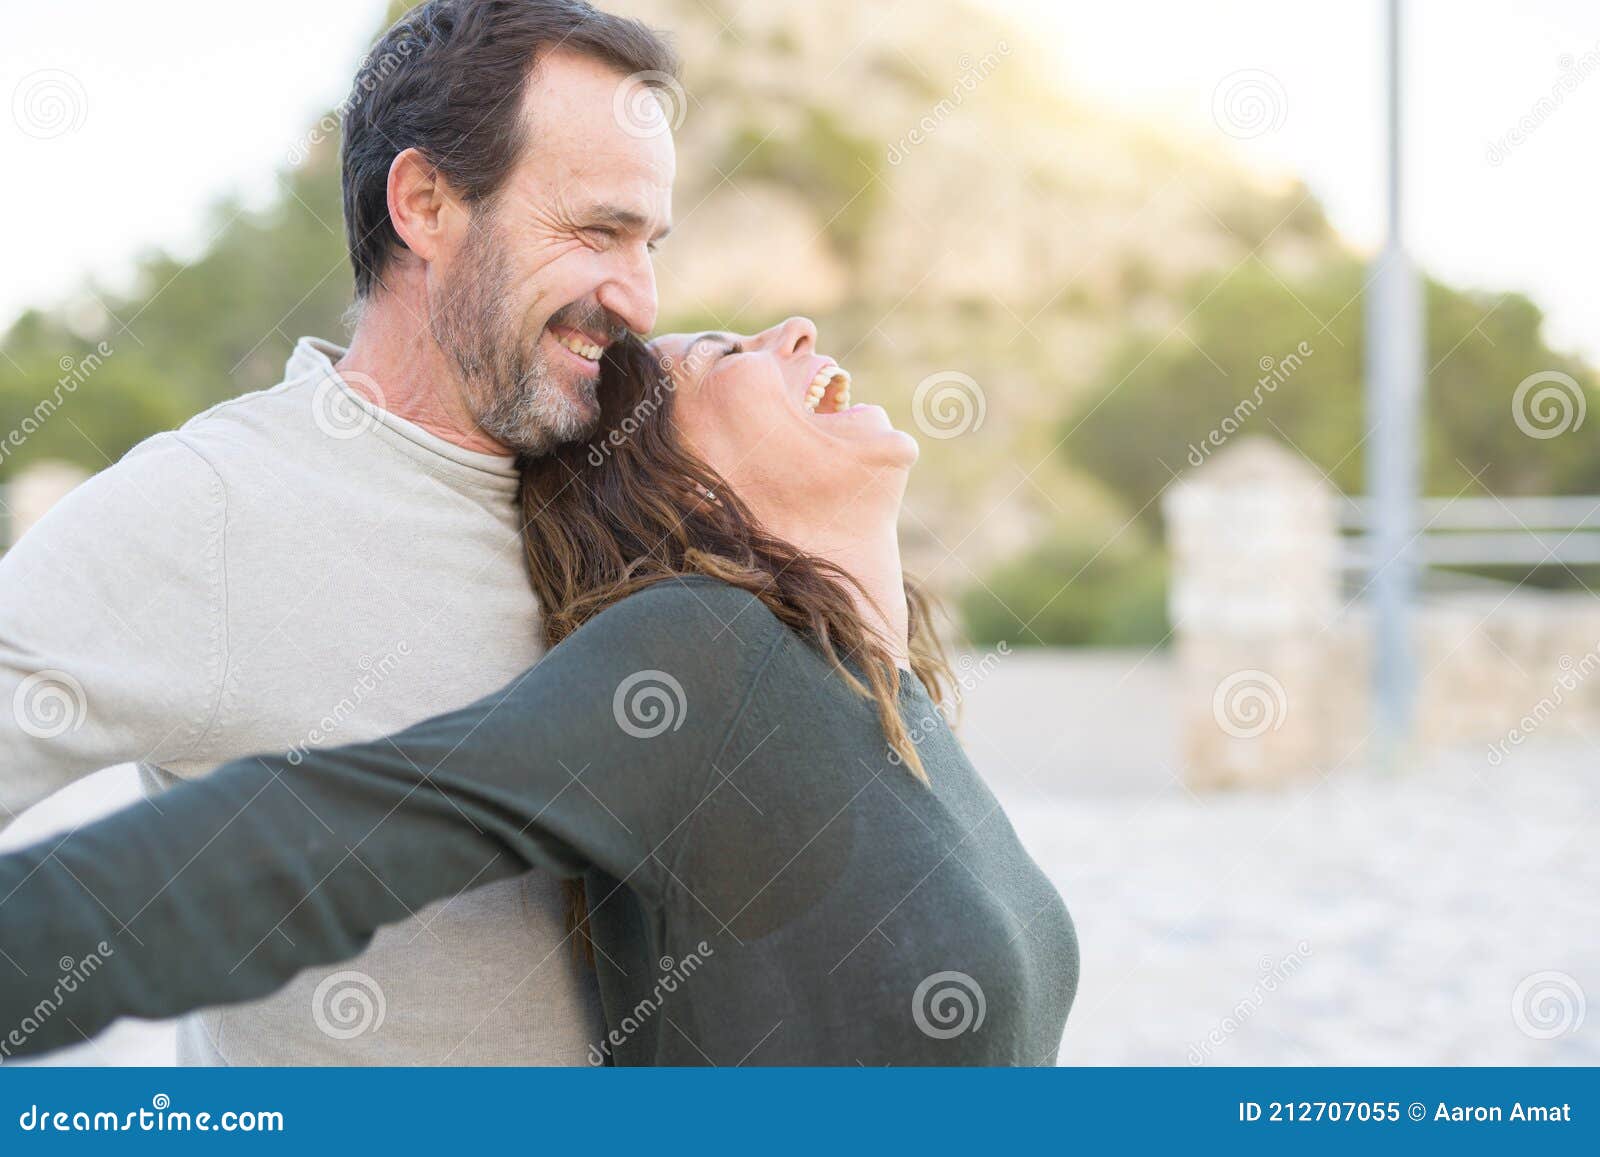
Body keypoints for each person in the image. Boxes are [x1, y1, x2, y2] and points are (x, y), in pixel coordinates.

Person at [0, 321, 1079, 1065]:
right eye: (728, 353)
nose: (794, 328)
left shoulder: (894, 699)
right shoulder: (700, 656)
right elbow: (311, 839)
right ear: (683, 485)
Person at [0, 0, 676, 1064]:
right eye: (596, 231)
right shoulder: (210, 508)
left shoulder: (645, 474)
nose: (637, 296)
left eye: (650, 242)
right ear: (424, 202)